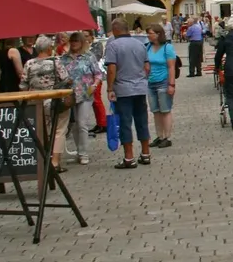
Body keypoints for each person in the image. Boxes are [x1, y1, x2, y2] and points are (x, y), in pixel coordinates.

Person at [105, 18, 152, 169]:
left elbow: (112, 68)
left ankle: (129, 157)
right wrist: (141, 80)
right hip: (140, 87)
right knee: (142, 120)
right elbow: (146, 67)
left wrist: (110, 88)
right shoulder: (140, 44)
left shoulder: (113, 46)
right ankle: (145, 153)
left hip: (123, 89)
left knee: (125, 122)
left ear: (115, 30)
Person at [21, 35, 72, 173]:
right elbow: (67, 79)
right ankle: (55, 162)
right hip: (55, 101)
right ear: (50, 48)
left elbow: (22, 85)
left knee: (41, 131)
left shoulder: (29, 63)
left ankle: (42, 160)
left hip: (35, 102)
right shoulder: (56, 62)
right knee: (59, 130)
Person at [60, 32, 103, 165]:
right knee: (73, 125)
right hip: (69, 95)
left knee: (82, 123)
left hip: (85, 93)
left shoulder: (88, 56)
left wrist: (95, 85)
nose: (74, 44)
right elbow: (60, 75)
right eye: (72, 41)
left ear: (82, 42)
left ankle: (84, 153)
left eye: (76, 41)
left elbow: (98, 73)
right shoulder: (64, 58)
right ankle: (79, 151)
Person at [144, 25, 177, 148]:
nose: (148, 35)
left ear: (158, 34)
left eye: (150, 33)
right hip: (151, 82)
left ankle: (167, 137)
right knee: (155, 111)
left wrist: (171, 84)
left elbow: (171, 67)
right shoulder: (148, 47)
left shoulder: (167, 48)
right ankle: (160, 135)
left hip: (163, 81)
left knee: (165, 110)